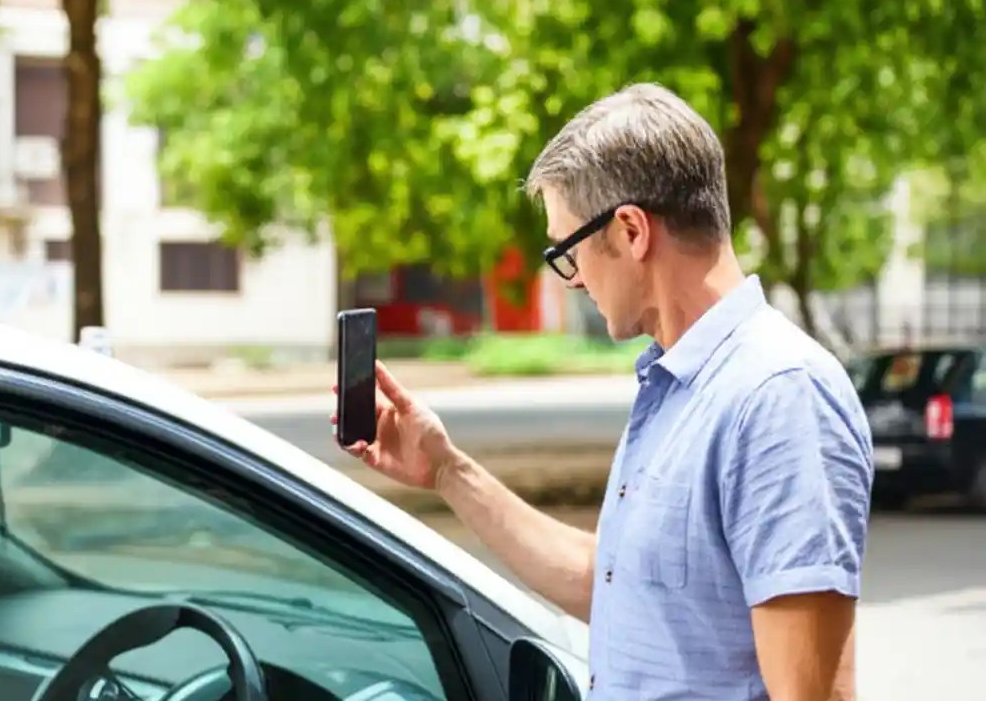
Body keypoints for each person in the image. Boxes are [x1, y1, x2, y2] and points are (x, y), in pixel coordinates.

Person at [331, 83, 873, 700]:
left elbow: (814, 693)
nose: (571, 280)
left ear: (632, 230)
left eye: (567, 250)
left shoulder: (779, 398)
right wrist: (448, 471)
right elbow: (616, 585)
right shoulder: (676, 384)